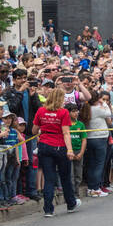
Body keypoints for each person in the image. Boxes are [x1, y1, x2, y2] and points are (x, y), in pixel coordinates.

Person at [32, 86, 80, 217]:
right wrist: (70, 149)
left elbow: (34, 130)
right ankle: (71, 203)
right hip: (59, 146)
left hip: (44, 146)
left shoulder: (41, 111)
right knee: (65, 177)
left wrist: (43, 130)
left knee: (49, 178)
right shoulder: (63, 112)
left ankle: (48, 209)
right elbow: (66, 133)